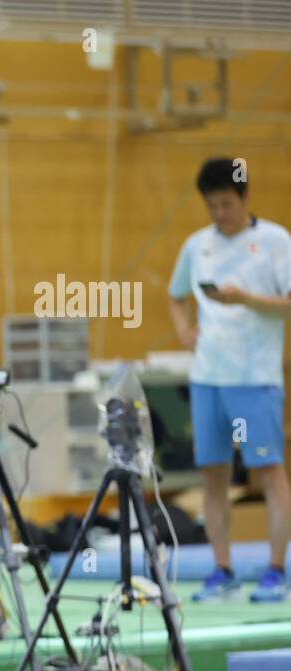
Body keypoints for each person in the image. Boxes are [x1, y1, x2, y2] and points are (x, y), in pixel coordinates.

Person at [169, 157, 291, 603]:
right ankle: (223, 568)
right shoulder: (197, 245)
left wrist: (246, 300)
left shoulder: (276, 241)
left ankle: (277, 569)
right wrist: (184, 329)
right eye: (211, 205)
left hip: (255, 377)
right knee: (213, 474)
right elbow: (175, 296)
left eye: (226, 203)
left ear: (245, 197)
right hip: (208, 378)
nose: (219, 213)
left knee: (269, 471)